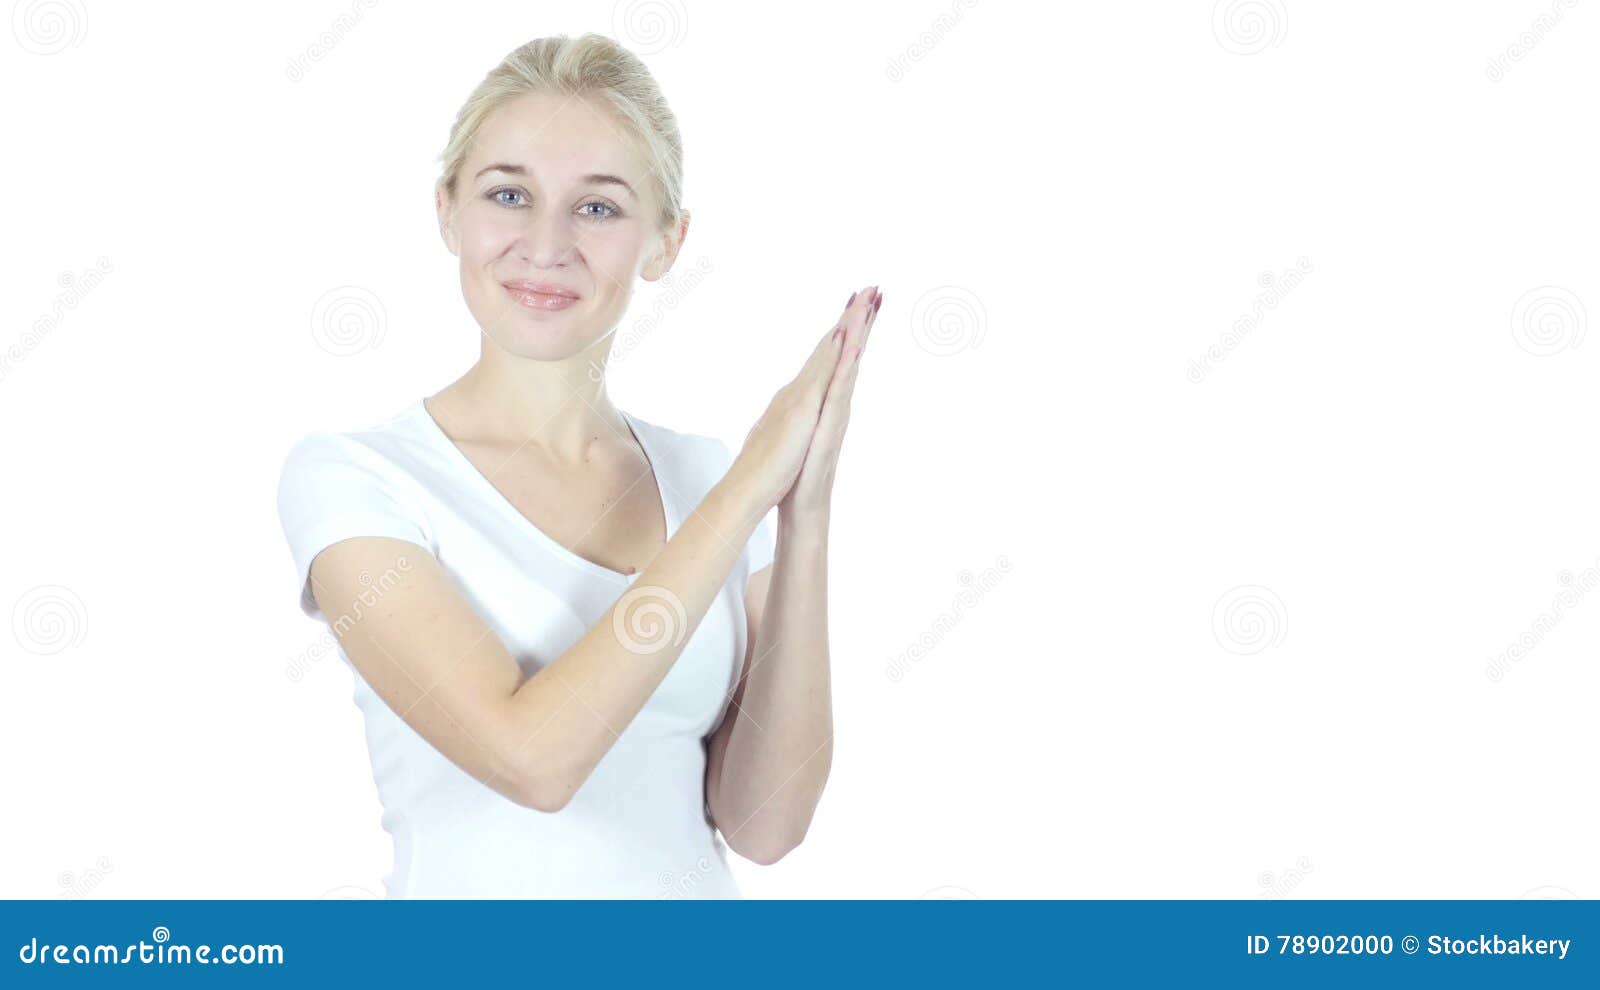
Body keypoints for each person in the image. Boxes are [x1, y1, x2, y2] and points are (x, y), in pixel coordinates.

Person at [274, 33, 881, 898]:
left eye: (598, 207)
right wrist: (753, 485)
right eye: (508, 195)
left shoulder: (704, 477)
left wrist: (803, 513)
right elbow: (533, 761)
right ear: (447, 211)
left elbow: (766, 824)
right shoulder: (357, 480)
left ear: (666, 242)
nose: (545, 244)